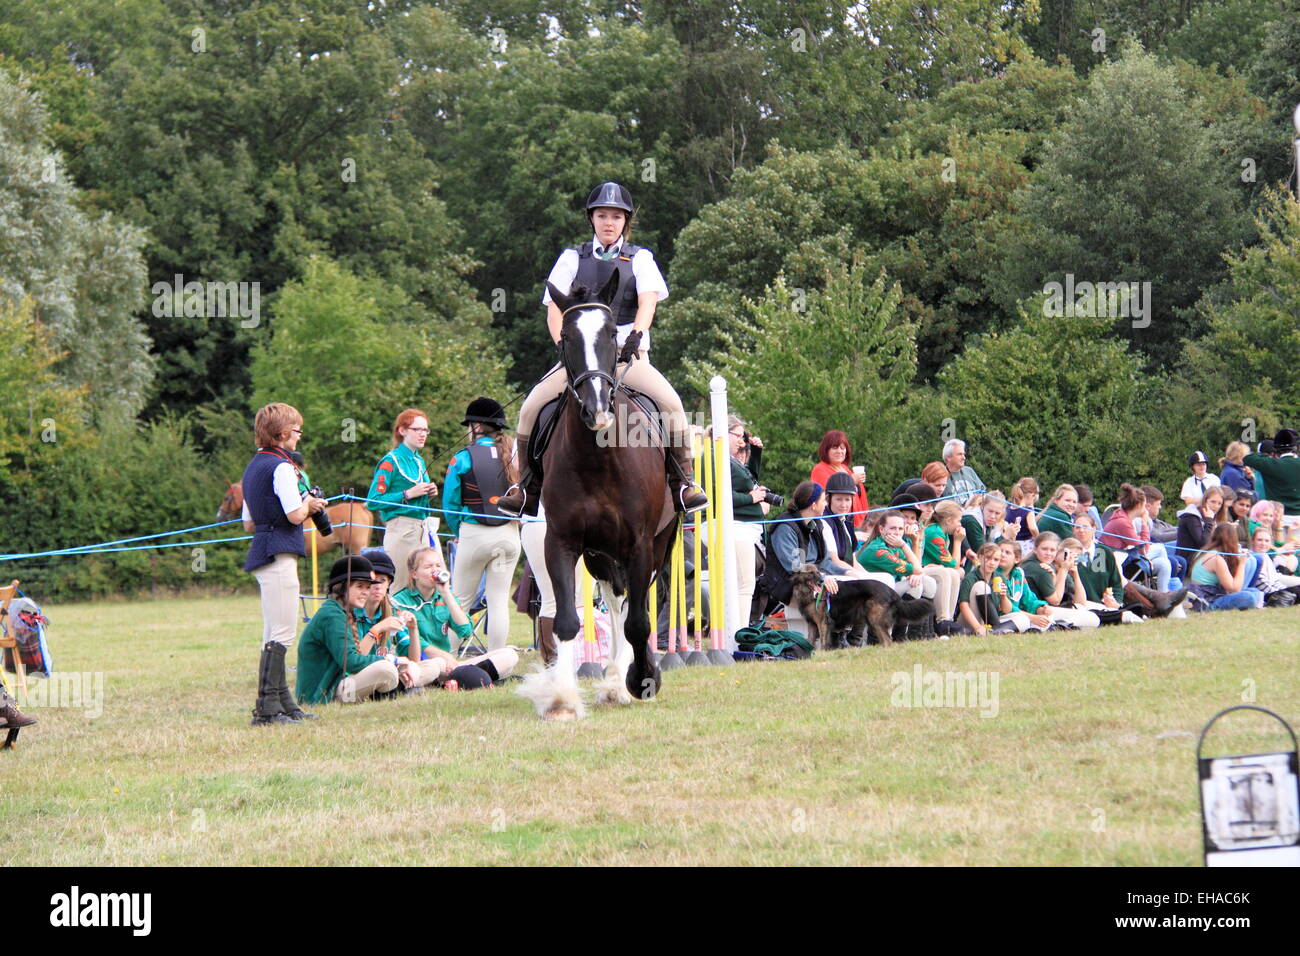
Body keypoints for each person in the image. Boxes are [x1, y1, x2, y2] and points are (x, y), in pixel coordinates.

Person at [497, 181, 707, 517]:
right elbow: (554, 308)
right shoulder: (571, 258)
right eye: (602, 215)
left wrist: (637, 334)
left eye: (615, 217)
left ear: (625, 221)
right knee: (530, 406)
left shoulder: (641, 258)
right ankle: (525, 488)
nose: (608, 222)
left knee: (671, 403)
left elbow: (647, 301)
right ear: (592, 219)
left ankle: (682, 483)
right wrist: (562, 345)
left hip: (626, 357)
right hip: (581, 360)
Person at [241, 402, 329, 726]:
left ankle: (284, 702)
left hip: (263, 549)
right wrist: (311, 503)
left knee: (273, 631)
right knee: (282, 632)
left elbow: (248, 522)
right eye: (296, 429)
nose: (299, 434)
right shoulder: (281, 467)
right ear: (281, 433)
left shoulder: (253, 467)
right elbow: (294, 514)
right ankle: (266, 708)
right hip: (279, 552)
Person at [443, 398, 522, 652]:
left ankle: (450, 658)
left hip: (475, 535)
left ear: (476, 426)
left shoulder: (462, 458)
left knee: (461, 601)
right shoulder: (512, 455)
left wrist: (459, 533)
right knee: (498, 600)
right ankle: (498, 659)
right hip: (508, 537)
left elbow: (450, 504)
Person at [390, 548, 518, 688]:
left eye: (438, 565)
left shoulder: (444, 596)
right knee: (436, 665)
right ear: (414, 574)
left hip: (449, 665)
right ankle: (470, 679)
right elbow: (407, 641)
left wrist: (446, 593)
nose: (435, 570)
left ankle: (463, 678)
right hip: (422, 665)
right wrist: (444, 656)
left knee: (509, 655)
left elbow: (466, 630)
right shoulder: (399, 601)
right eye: (428, 567)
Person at [295, 555, 405, 704]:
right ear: (341, 587)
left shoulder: (340, 611)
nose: (366, 592)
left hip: (335, 684)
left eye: (368, 587)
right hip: (323, 693)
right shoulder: (332, 615)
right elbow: (351, 662)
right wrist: (393, 660)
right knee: (386, 669)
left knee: (396, 668)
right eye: (360, 586)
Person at [354, 549, 446, 693]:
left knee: (436, 665)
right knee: (386, 669)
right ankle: (400, 686)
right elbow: (354, 660)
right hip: (358, 675)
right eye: (371, 581)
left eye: (382, 580)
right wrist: (377, 629)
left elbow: (414, 659)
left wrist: (413, 629)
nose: (377, 585)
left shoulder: (391, 610)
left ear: (388, 584)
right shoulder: (351, 612)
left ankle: (400, 684)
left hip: (388, 670)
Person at [758, 481, 841, 637]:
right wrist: (823, 578)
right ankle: (830, 639)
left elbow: (825, 563)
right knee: (836, 593)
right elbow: (795, 567)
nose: (826, 503)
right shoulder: (785, 528)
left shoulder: (815, 525)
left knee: (854, 585)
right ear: (814, 505)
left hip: (812, 580)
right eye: (824, 500)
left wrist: (849, 572)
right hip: (789, 585)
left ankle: (848, 638)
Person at [369, 408, 439, 593]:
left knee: (426, 588)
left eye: (426, 430)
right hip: (401, 532)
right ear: (402, 431)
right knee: (399, 587)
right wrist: (407, 494)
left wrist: (428, 493)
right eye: (417, 429)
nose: (423, 434)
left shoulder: (419, 461)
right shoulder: (390, 461)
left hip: (423, 530)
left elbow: (417, 495)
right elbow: (373, 500)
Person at [726, 416, 772, 626]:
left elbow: (750, 479)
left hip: (745, 530)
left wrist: (757, 454)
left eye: (744, 437)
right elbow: (720, 496)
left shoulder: (732, 461)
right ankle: (740, 633)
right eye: (739, 435)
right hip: (736, 529)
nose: (742, 441)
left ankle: (745, 628)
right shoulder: (717, 459)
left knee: (748, 584)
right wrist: (752, 499)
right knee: (745, 586)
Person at [1020, 533, 1102, 628]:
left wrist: (1074, 574)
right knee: (1093, 619)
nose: (1048, 553)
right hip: (1039, 610)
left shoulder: (1048, 565)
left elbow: (1081, 601)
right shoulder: (1040, 568)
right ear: (1035, 549)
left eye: (1052, 550)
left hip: (1044, 608)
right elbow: (1055, 601)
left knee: (1090, 608)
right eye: (1044, 549)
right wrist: (1063, 570)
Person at [856, 509, 939, 601]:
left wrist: (916, 574)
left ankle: (937, 615)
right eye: (893, 528)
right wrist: (904, 545)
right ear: (881, 529)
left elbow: (917, 568)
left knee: (928, 582)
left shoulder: (894, 546)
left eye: (900, 529)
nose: (897, 533)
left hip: (886, 588)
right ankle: (903, 615)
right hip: (870, 595)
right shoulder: (877, 550)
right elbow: (917, 569)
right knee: (915, 585)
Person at [1187, 525, 1264, 611]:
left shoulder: (1205, 551)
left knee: (1254, 591)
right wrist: (1241, 564)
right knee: (1249, 598)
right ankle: (1257, 603)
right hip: (1207, 602)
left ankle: (1257, 602)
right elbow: (1234, 589)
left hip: (1207, 595)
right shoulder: (1216, 559)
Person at [810, 430, 869, 529]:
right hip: (835, 525)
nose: (839, 451)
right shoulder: (819, 469)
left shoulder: (845, 469)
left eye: (842, 448)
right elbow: (825, 497)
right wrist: (851, 481)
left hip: (858, 524)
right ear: (826, 449)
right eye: (835, 447)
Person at [1244, 428, 1300, 528]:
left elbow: (1248, 458)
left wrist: (1268, 455)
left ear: (1275, 450)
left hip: (1275, 517)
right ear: (1295, 448)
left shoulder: (1271, 464)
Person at [921, 501, 965, 624]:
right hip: (922, 569)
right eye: (959, 521)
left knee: (954, 574)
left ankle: (948, 620)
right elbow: (953, 564)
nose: (960, 524)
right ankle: (943, 619)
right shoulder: (934, 533)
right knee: (950, 572)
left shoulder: (941, 532)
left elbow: (952, 565)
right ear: (949, 520)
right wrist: (958, 541)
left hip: (930, 568)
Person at [1176, 484, 1225, 570]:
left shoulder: (1213, 517)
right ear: (1205, 501)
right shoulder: (1191, 517)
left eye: (1219, 503)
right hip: (1189, 559)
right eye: (1213, 502)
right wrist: (1209, 522)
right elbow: (1204, 544)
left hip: (1205, 556)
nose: (1216, 506)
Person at [1248, 526, 1300, 604]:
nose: (1263, 543)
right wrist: (1281, 592)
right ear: (1253, 541)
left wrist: (1284, 589)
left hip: (1276, 590)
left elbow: (1275, 581)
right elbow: (1261, 584)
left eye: (1266, 541)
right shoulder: (1252, 558)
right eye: (1259, 540)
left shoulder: (1266, 557)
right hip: (1266, 595)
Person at [959, 491, 1011, 566]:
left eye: (997, 513)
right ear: (982, 506)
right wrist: (1004, 536)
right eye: (990, 511)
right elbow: (984, 552)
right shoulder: (972, 521)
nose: (992, 516)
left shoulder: (987, 521)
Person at [940, 439, 985, 507]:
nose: (964, 457)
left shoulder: (969, 471)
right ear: (948, 457)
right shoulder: (941, 475)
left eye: (963, 454)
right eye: (959, 454)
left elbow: (983, 493)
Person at [1006, 478, 1041, 557]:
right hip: (1025, 546)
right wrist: (1038, 539)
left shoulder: (1009, 508)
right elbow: (1033, 528)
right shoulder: (1028, 510)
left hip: (1011, 543)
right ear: (1032, 495)